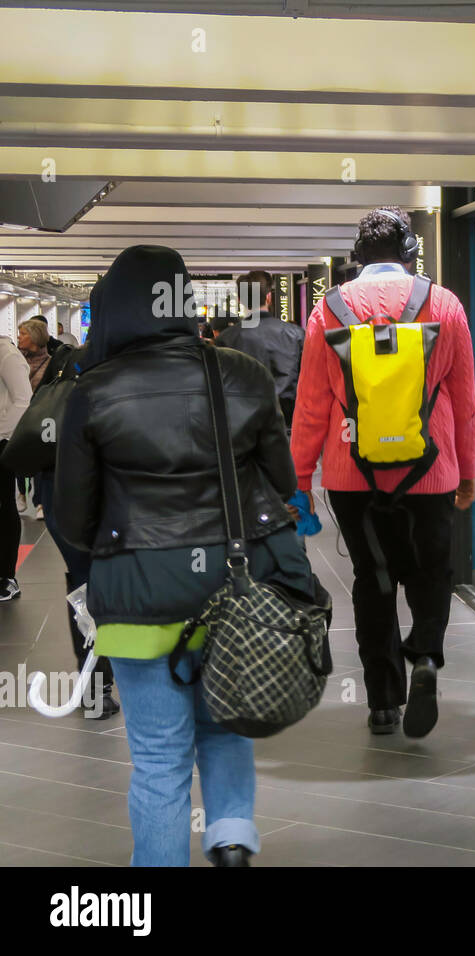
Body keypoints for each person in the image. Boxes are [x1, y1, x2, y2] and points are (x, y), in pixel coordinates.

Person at [57, 245, 311, 866]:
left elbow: (70, 517)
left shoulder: (91, 392)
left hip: (139, 602)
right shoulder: (241, 375)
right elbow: (281, 481)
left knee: (158, 761)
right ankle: (229, 843)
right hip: (235, 589)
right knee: (223, 729)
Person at [291, 207, 475, 738]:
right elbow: (464, 402)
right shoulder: (444, 305)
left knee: (372, 582)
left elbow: (309, 407)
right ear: (411, 252)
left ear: (357, 256)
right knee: (430, 572)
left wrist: (300, 481)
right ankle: (424, 658)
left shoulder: (326, 312)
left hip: (353, 475)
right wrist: (466, 471)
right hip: (431, 470)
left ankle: (382, 703)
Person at [32, 328, 118, 718]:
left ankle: (93, 690)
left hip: (59, 493)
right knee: (111, 584)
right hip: (106, 495)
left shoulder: (64, 363)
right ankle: (111, 680)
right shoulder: (125, 368)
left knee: (81, 583)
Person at [218, 270, 304, 428]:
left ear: (239, 300)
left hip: (242, 428)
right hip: (288, 425)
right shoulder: (296, 334)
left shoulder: (226, 338)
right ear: (269, 298)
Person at [0, 330, 32, 602]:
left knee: (2, 506)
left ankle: (7, 576)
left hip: (1, 442)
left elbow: (23, 399)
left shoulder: (7, 354)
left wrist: (2, 432)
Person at [16, 318, 53, 519]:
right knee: (19, 458)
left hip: (41, 418)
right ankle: (22, 492)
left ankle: (40, 503)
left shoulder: (51, 362)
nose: (19, 337)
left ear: (35, 337)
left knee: (40, 461)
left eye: (23, 333)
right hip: (19, 418)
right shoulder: (14, 360)